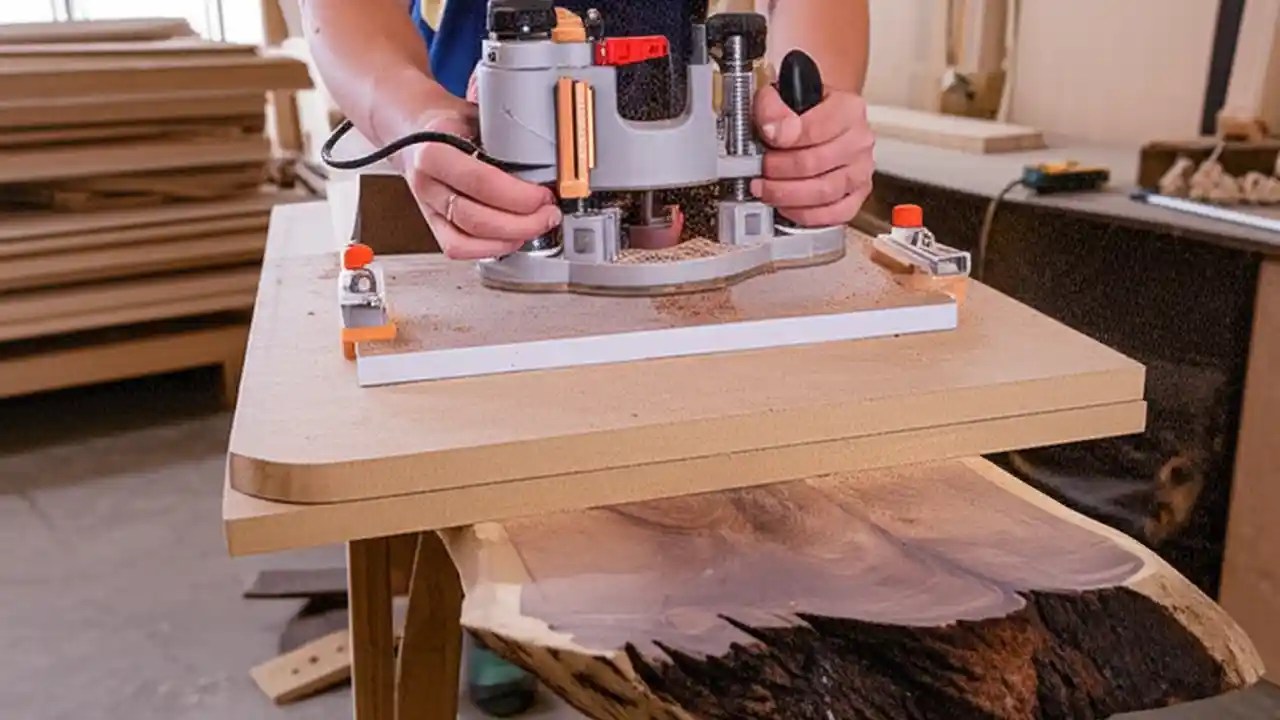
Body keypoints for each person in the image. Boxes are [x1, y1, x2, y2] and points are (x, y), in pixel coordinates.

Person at [298, 0, 872, 714]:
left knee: (693, 477)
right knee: (486, 476)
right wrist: (408, 118)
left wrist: (812, 126)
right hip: (479, 153)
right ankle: (496, 600)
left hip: (693, 154)